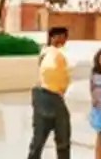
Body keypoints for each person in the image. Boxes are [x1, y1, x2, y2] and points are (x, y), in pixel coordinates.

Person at [29, 26, 72, 159]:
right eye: (63, 37)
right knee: (62, 136)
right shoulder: (53, 53)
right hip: (51, 96)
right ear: (55, 37)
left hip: (45, 96)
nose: (64, 41)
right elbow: (51, 72)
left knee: (39, 138)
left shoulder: (46, 52)